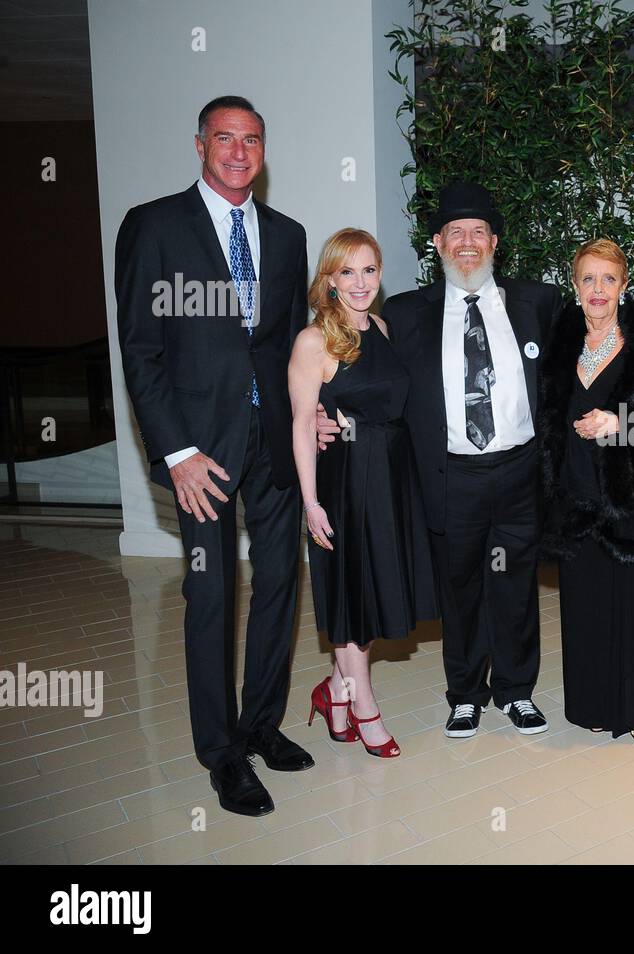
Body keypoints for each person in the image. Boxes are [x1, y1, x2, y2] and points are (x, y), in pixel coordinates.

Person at [115, 95, 312, 816]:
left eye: (251, 140)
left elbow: (292, 345)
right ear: (199, 145)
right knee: (211, 595)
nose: (238, 152)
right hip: (200, 451)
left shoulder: (287, 236)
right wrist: (176, 450)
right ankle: (222, 753)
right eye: (225, 139)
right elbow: (141, 350)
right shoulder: (154, 227)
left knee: (282, 582)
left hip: (274, 446)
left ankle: (261, 724)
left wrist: (308, 417)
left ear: (264, 150)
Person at [318, 182, 564, 739]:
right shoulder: (404, 314)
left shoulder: (539, 303)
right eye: (456, 233)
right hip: (449, 474)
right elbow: (342, 354)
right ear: (438, 243)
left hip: (520, 468)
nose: (468, 243)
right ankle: (466, 694)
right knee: (460, 587)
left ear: (495, 242)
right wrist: (314, 407)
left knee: (516, 584)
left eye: (479, 232)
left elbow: (575, 372)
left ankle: (517, 691)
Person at [288, 228, 438, 759]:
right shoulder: (314, 341)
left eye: (369, 270)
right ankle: (364, 706)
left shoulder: (381, 326)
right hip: (347, 480)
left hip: (392, 477)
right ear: (328, 280)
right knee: (353, 595)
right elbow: (303, 424)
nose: (360, 282)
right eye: (346, 272)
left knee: (368, 593)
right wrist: (310, 501)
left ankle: (334, 691)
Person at [538, 239, 634, 741]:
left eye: (608, 279)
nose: (598, 290)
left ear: (625, 285)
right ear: (575, 287)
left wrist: (621, 422)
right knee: (583, 606)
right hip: (573, 496)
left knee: (632, 606)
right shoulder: (559, 345)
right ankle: (591, 703)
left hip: (626, 498)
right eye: (588, 279)